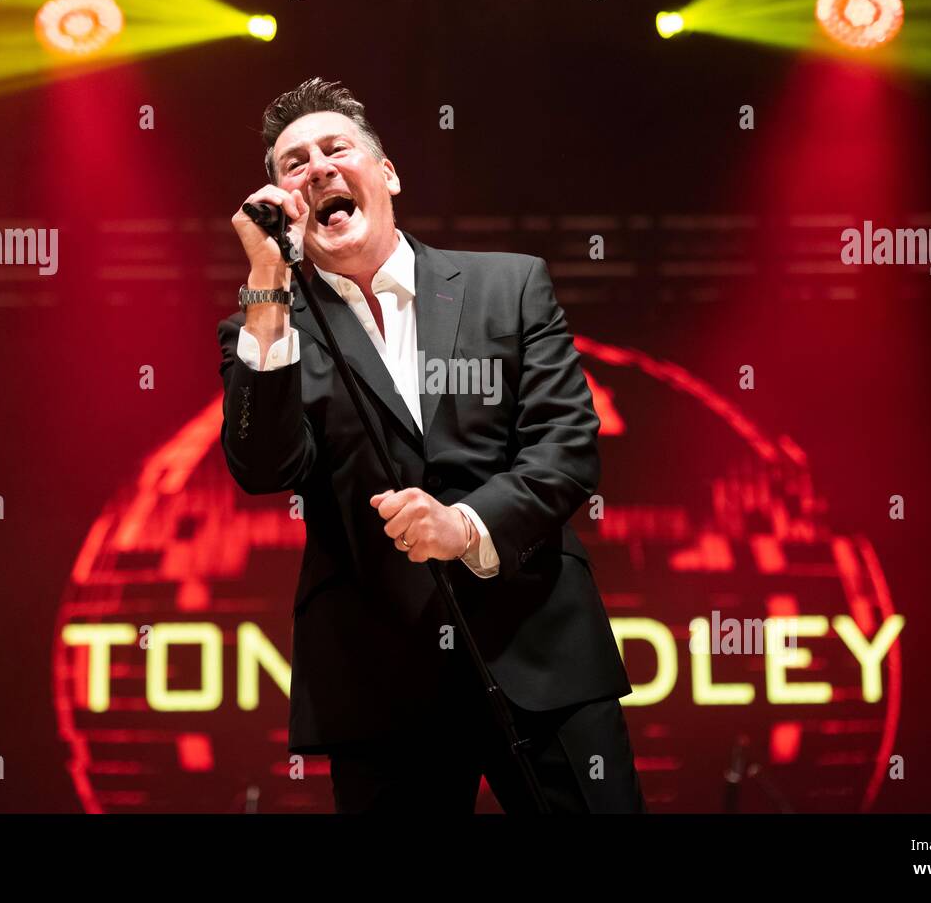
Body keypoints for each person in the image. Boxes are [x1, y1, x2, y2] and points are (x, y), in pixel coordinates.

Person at [217, 77, 646, 813]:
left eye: (335, 149)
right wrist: (266, 278)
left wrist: (466, 525)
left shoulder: (506, 286)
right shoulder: (267, 328)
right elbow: (263, 466)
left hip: (539, 646)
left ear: (386, 174)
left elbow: (567, 444)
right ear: (281, 202)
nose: (316, 168)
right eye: (293, 163)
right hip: (378, 680)